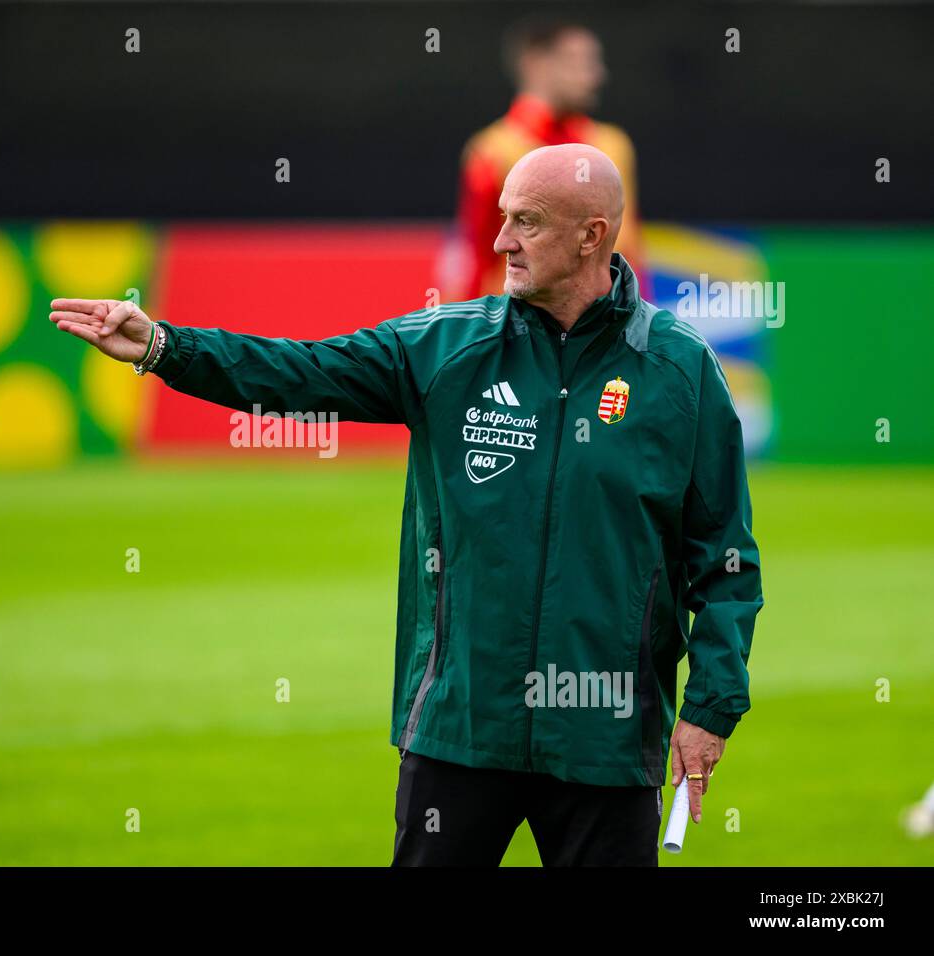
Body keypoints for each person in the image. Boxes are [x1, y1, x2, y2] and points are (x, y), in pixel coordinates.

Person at [48, 143, 762, 866]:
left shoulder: (678, 371)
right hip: (460, 728)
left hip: (605, 738)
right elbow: (302, 373)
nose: (501, 240)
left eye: (527, 222)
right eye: (503, 217)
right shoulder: (447, 347)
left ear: (592, 236)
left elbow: (726, 560)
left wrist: (709, 708)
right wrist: (163, 347)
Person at [440, 19, 650, 303]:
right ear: (535, 64)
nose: (596, 75)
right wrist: (461, 333)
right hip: (519, 330)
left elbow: (630, 248)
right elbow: (475, 255)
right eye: (579, 63)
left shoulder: (613, 146)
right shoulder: (493, 151)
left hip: (602, 329)